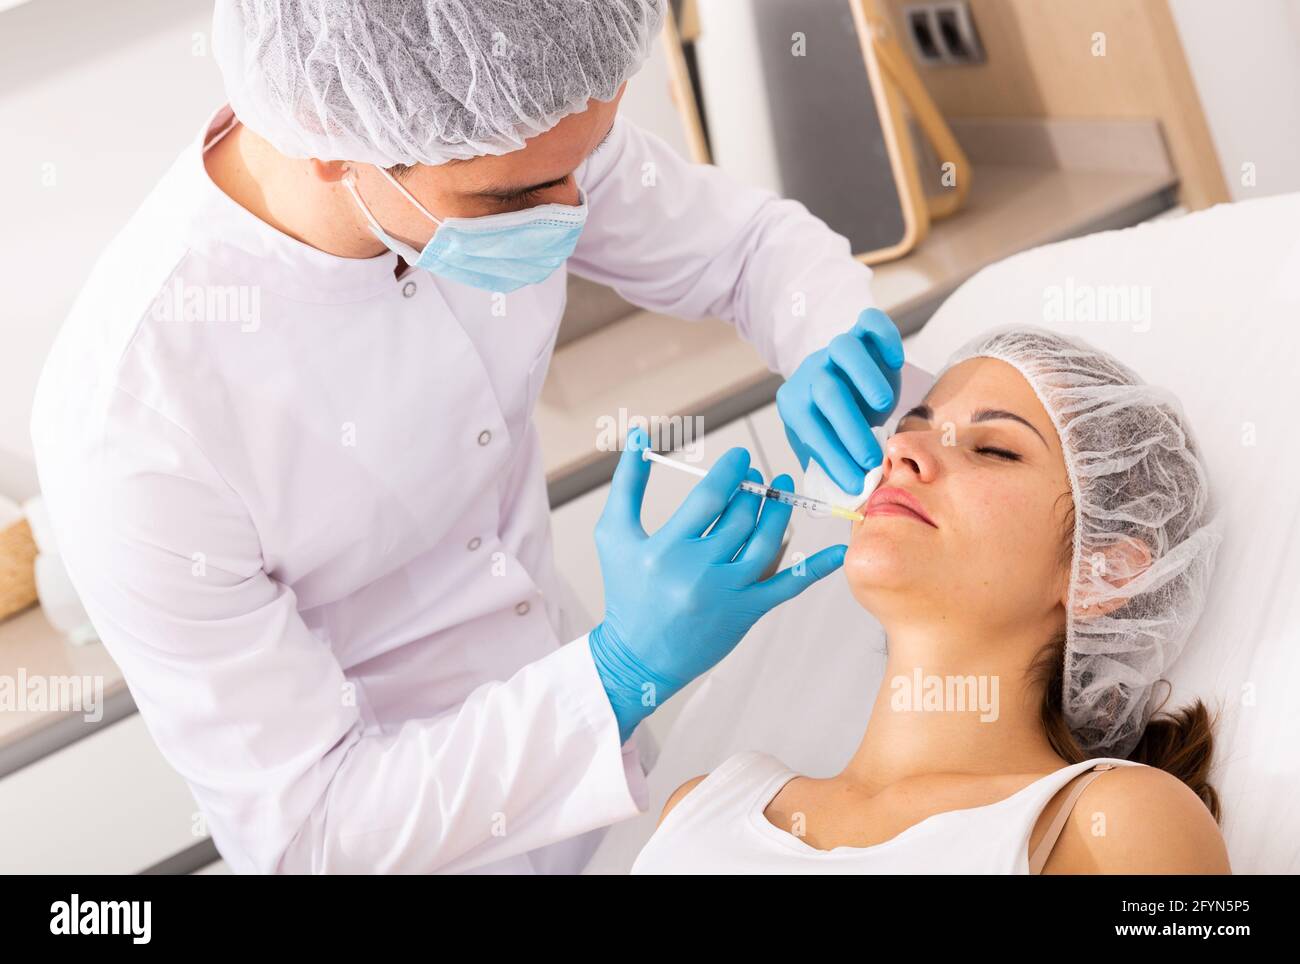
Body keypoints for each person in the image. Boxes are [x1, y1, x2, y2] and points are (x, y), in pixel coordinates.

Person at [28, 1, 902, 873]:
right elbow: (310, 833)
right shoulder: (135, 423)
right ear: (327, 139)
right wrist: (616, 675)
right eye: (515, 197)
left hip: (618, 797)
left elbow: (745, 249)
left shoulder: (513, 116)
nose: (570, 211)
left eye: (587, 159)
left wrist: (824, 328)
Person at [633, 327, 1231, 874]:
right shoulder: (703, 807)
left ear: (1105, 573)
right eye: (909, 430)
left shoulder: (1112, 823)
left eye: (993, 449)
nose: (898, 454)